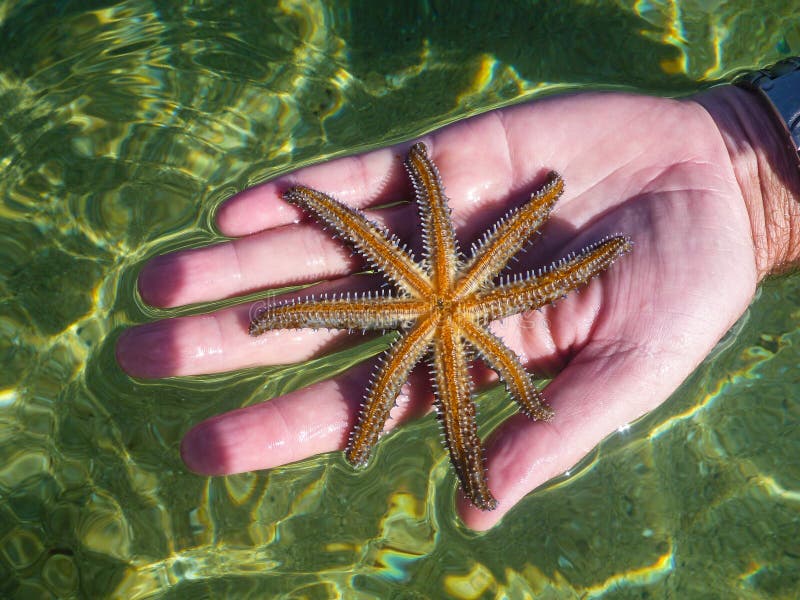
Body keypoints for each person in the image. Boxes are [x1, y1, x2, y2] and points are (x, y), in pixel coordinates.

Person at [116, 76, 800, 531]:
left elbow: (507, 276)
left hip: (451, 306)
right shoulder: (458, 291)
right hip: (452, 304)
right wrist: (756, 153)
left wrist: (755, 179)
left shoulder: (472, 295)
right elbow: (405, 239)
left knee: (401, 365)